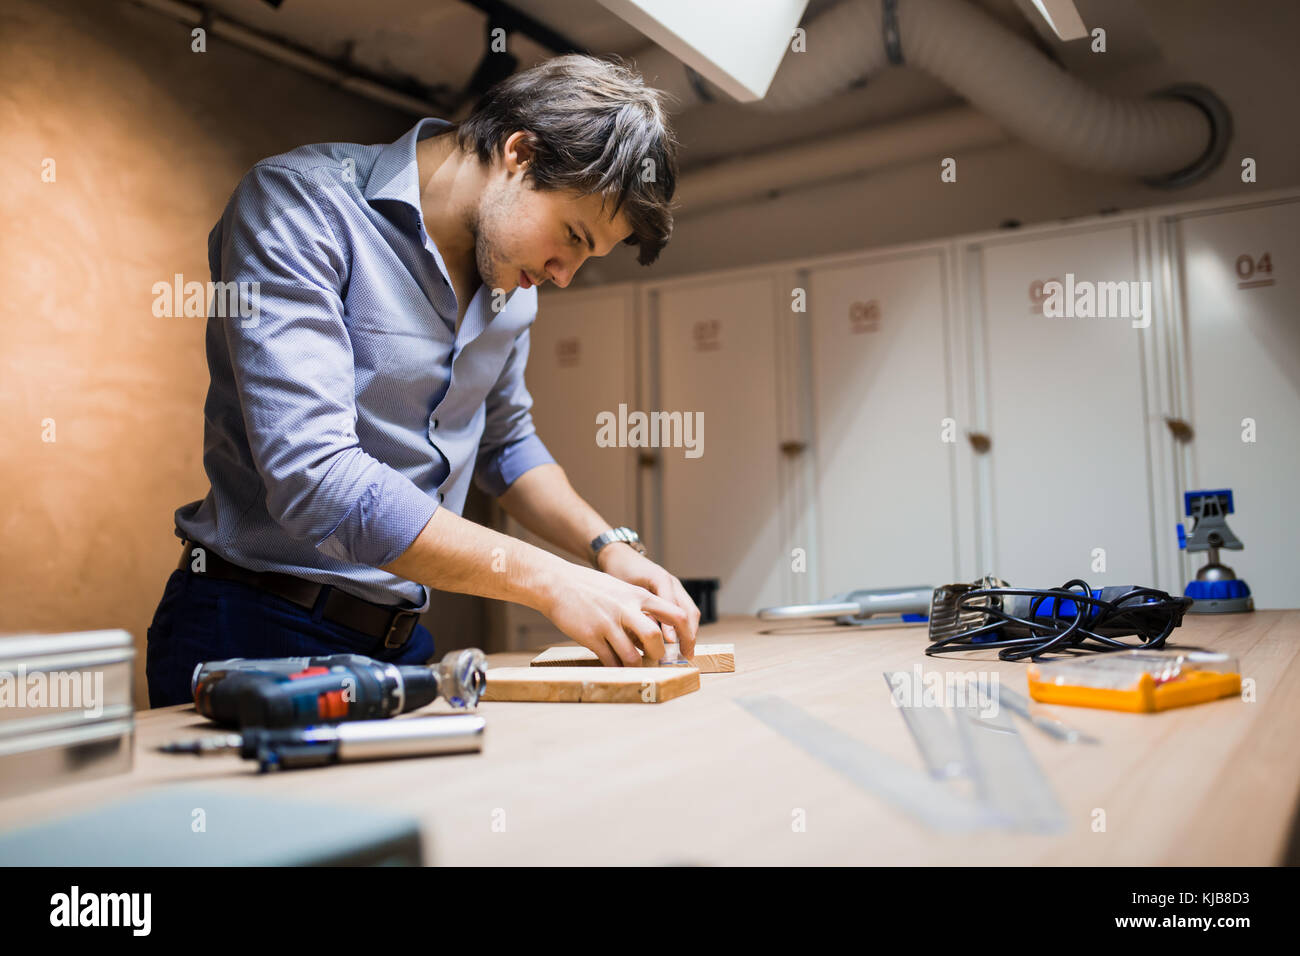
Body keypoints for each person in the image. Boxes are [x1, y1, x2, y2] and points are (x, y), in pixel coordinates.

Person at [146, 54, 699, 706]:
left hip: (401, 640)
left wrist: (608, 550)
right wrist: (553, 581)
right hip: (255, 626)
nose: (563, 275)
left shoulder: (510, 289)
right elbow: (315, 478)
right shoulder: (303, 203)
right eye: (572, 236)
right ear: (520, 153)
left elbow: (503, 443)